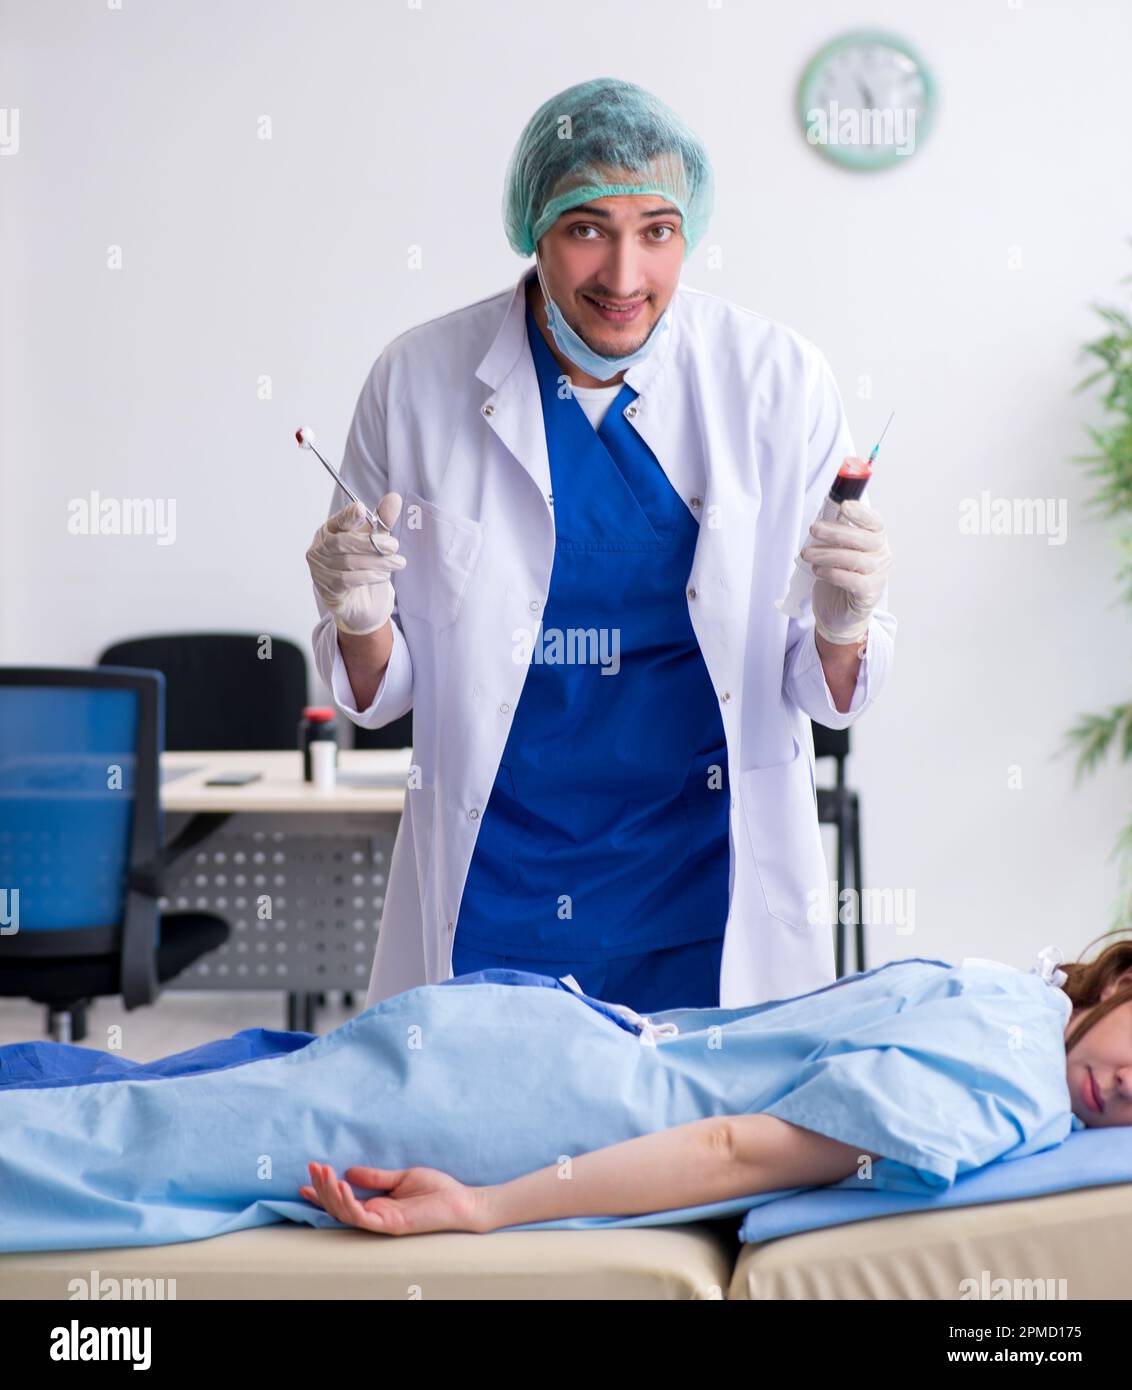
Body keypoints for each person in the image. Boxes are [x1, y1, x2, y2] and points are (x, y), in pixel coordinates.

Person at [305, 76, 896, 1018]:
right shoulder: (417, 381)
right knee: (483, 1151)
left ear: (688, 232)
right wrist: (359, 615)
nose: (624, 277)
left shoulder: (776, 381)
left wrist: (845, 621)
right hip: (497, 892)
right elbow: (381, 696)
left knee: (699, 1154)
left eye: (656, 231)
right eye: (587, 227)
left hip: (705, 895)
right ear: (532, 225)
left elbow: (820, 693)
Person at [1, 939, 1126, 1253]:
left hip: (525, 1037)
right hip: (520, 1108)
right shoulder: (1005, 1076)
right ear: (1122, 982)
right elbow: (737, 1150)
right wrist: (483, 1209)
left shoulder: (1003, 994)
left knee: (151, 1088)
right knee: (119, 1151)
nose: (1127, 1089)